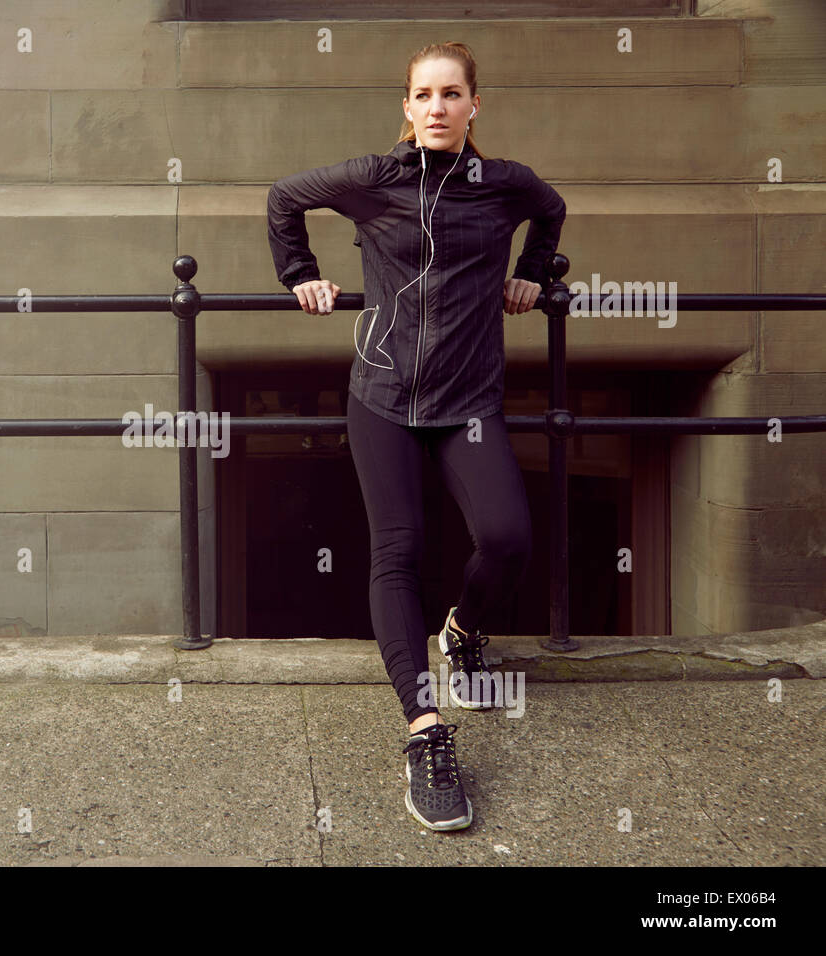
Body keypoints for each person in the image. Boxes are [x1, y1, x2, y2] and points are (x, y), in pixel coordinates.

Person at [265, 41, 566, 831]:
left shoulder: (505, 185)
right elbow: (283, 197)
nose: (437, 107)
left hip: (468, 399)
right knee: (397, 550)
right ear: (406, 106)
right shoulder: (374, 179)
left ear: (474, 105)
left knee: (506, 537)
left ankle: (463, 631)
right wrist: (300, 274)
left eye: (452, 94)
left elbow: (552, 209)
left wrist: (535, 271)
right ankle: (425, 730)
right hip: (383, 395)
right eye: (424, 95)